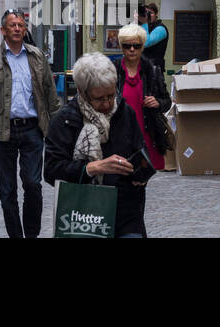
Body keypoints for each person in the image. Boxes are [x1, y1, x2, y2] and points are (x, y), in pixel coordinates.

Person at [0, 9, 62, 239]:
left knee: (33, 185)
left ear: (25, 29)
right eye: (12, 25)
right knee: (7, 192)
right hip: (1, 131)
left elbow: (50, 96)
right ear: (3, 30)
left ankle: (32, 234)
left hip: (32, 130)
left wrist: (59, 132)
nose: (17, 29)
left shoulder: (36, 57)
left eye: (21, 25)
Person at [43, 52, 153, 238]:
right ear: (81, 92)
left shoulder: (125, 112)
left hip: (126, 213)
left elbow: (139, 151)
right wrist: (93, 168)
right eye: (100, 98)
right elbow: (51, 170)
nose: (108, 103)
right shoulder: (65, 121)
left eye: (111, 95)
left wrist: (141, 175)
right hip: (82, 216)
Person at [114, 23, 169, 172]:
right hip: (119, 135)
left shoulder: (152, 71)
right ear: (121, 47)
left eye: (137, 46)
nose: (132, 49)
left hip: (147, 134)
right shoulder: (113, 71)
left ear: (143, 46)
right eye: (127, 45)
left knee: (141, 180)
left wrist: (157, 102)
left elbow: (167, 102)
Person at [139, 3, 168, 72]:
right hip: (143, 70)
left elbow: (146, 43)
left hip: (154, 72)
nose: (148, 15)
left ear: (156, 15)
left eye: (150, 13)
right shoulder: (145, 27)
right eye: (146, 13)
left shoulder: (161, 29)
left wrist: (144, 23)